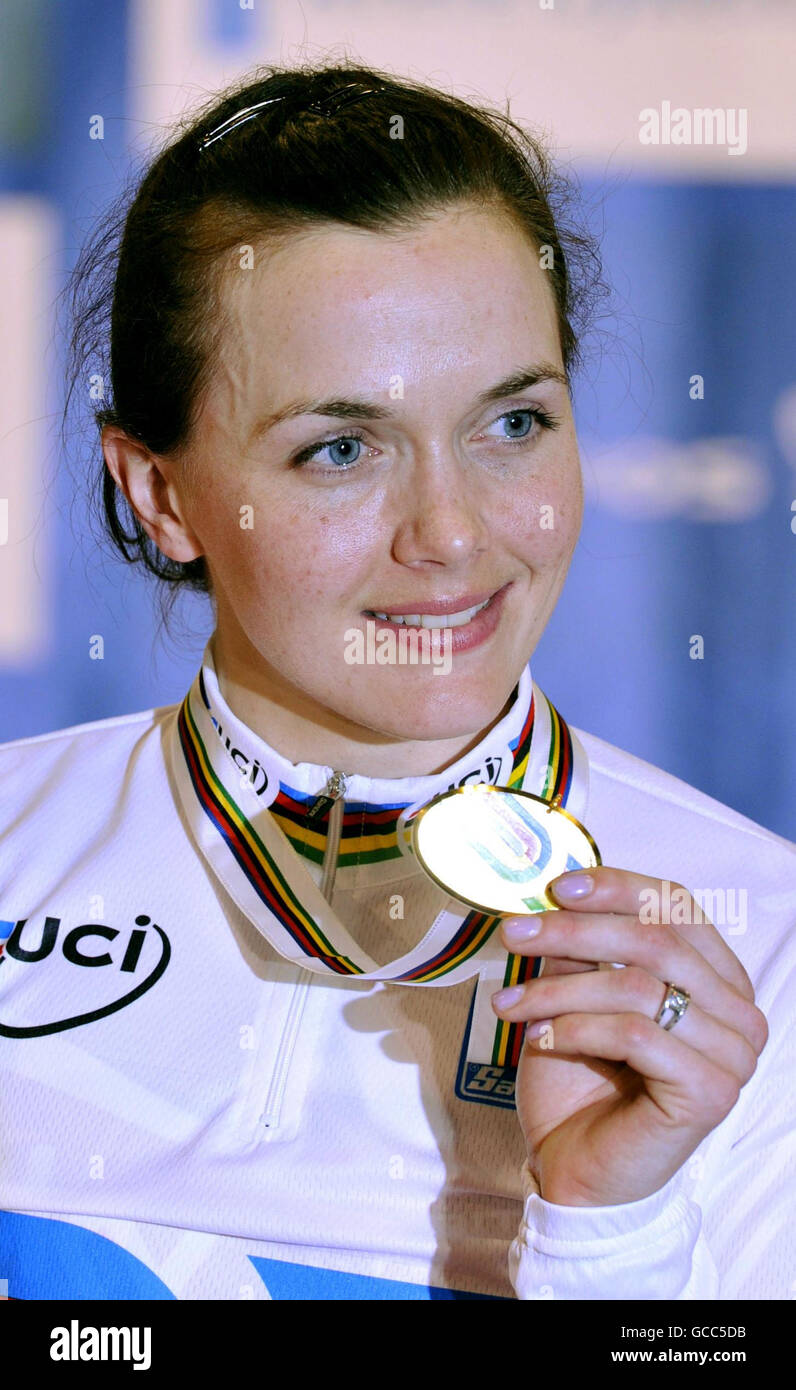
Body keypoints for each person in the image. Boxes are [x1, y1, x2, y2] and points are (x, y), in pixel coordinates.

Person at [0, 60, 793, 1303]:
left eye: (512, 423)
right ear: (161, 496)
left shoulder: (755, 938)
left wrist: (606, 1222)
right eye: (342, 447)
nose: (453, 533)